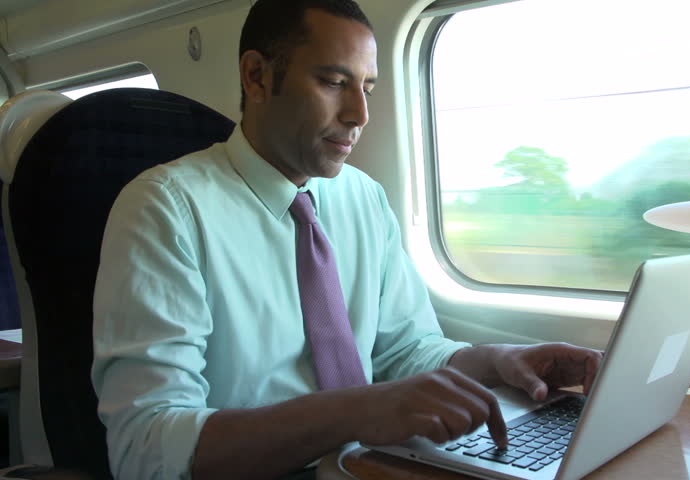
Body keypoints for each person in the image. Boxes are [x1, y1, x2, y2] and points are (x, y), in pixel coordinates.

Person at [90, 1, 602, 479]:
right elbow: (146, 446)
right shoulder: (166, 209)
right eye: (335, 82)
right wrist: (355, 413)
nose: (360, 114)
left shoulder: (363, 198)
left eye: (368, 89)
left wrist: (495, 362)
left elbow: (405, 350)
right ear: (257, 76)